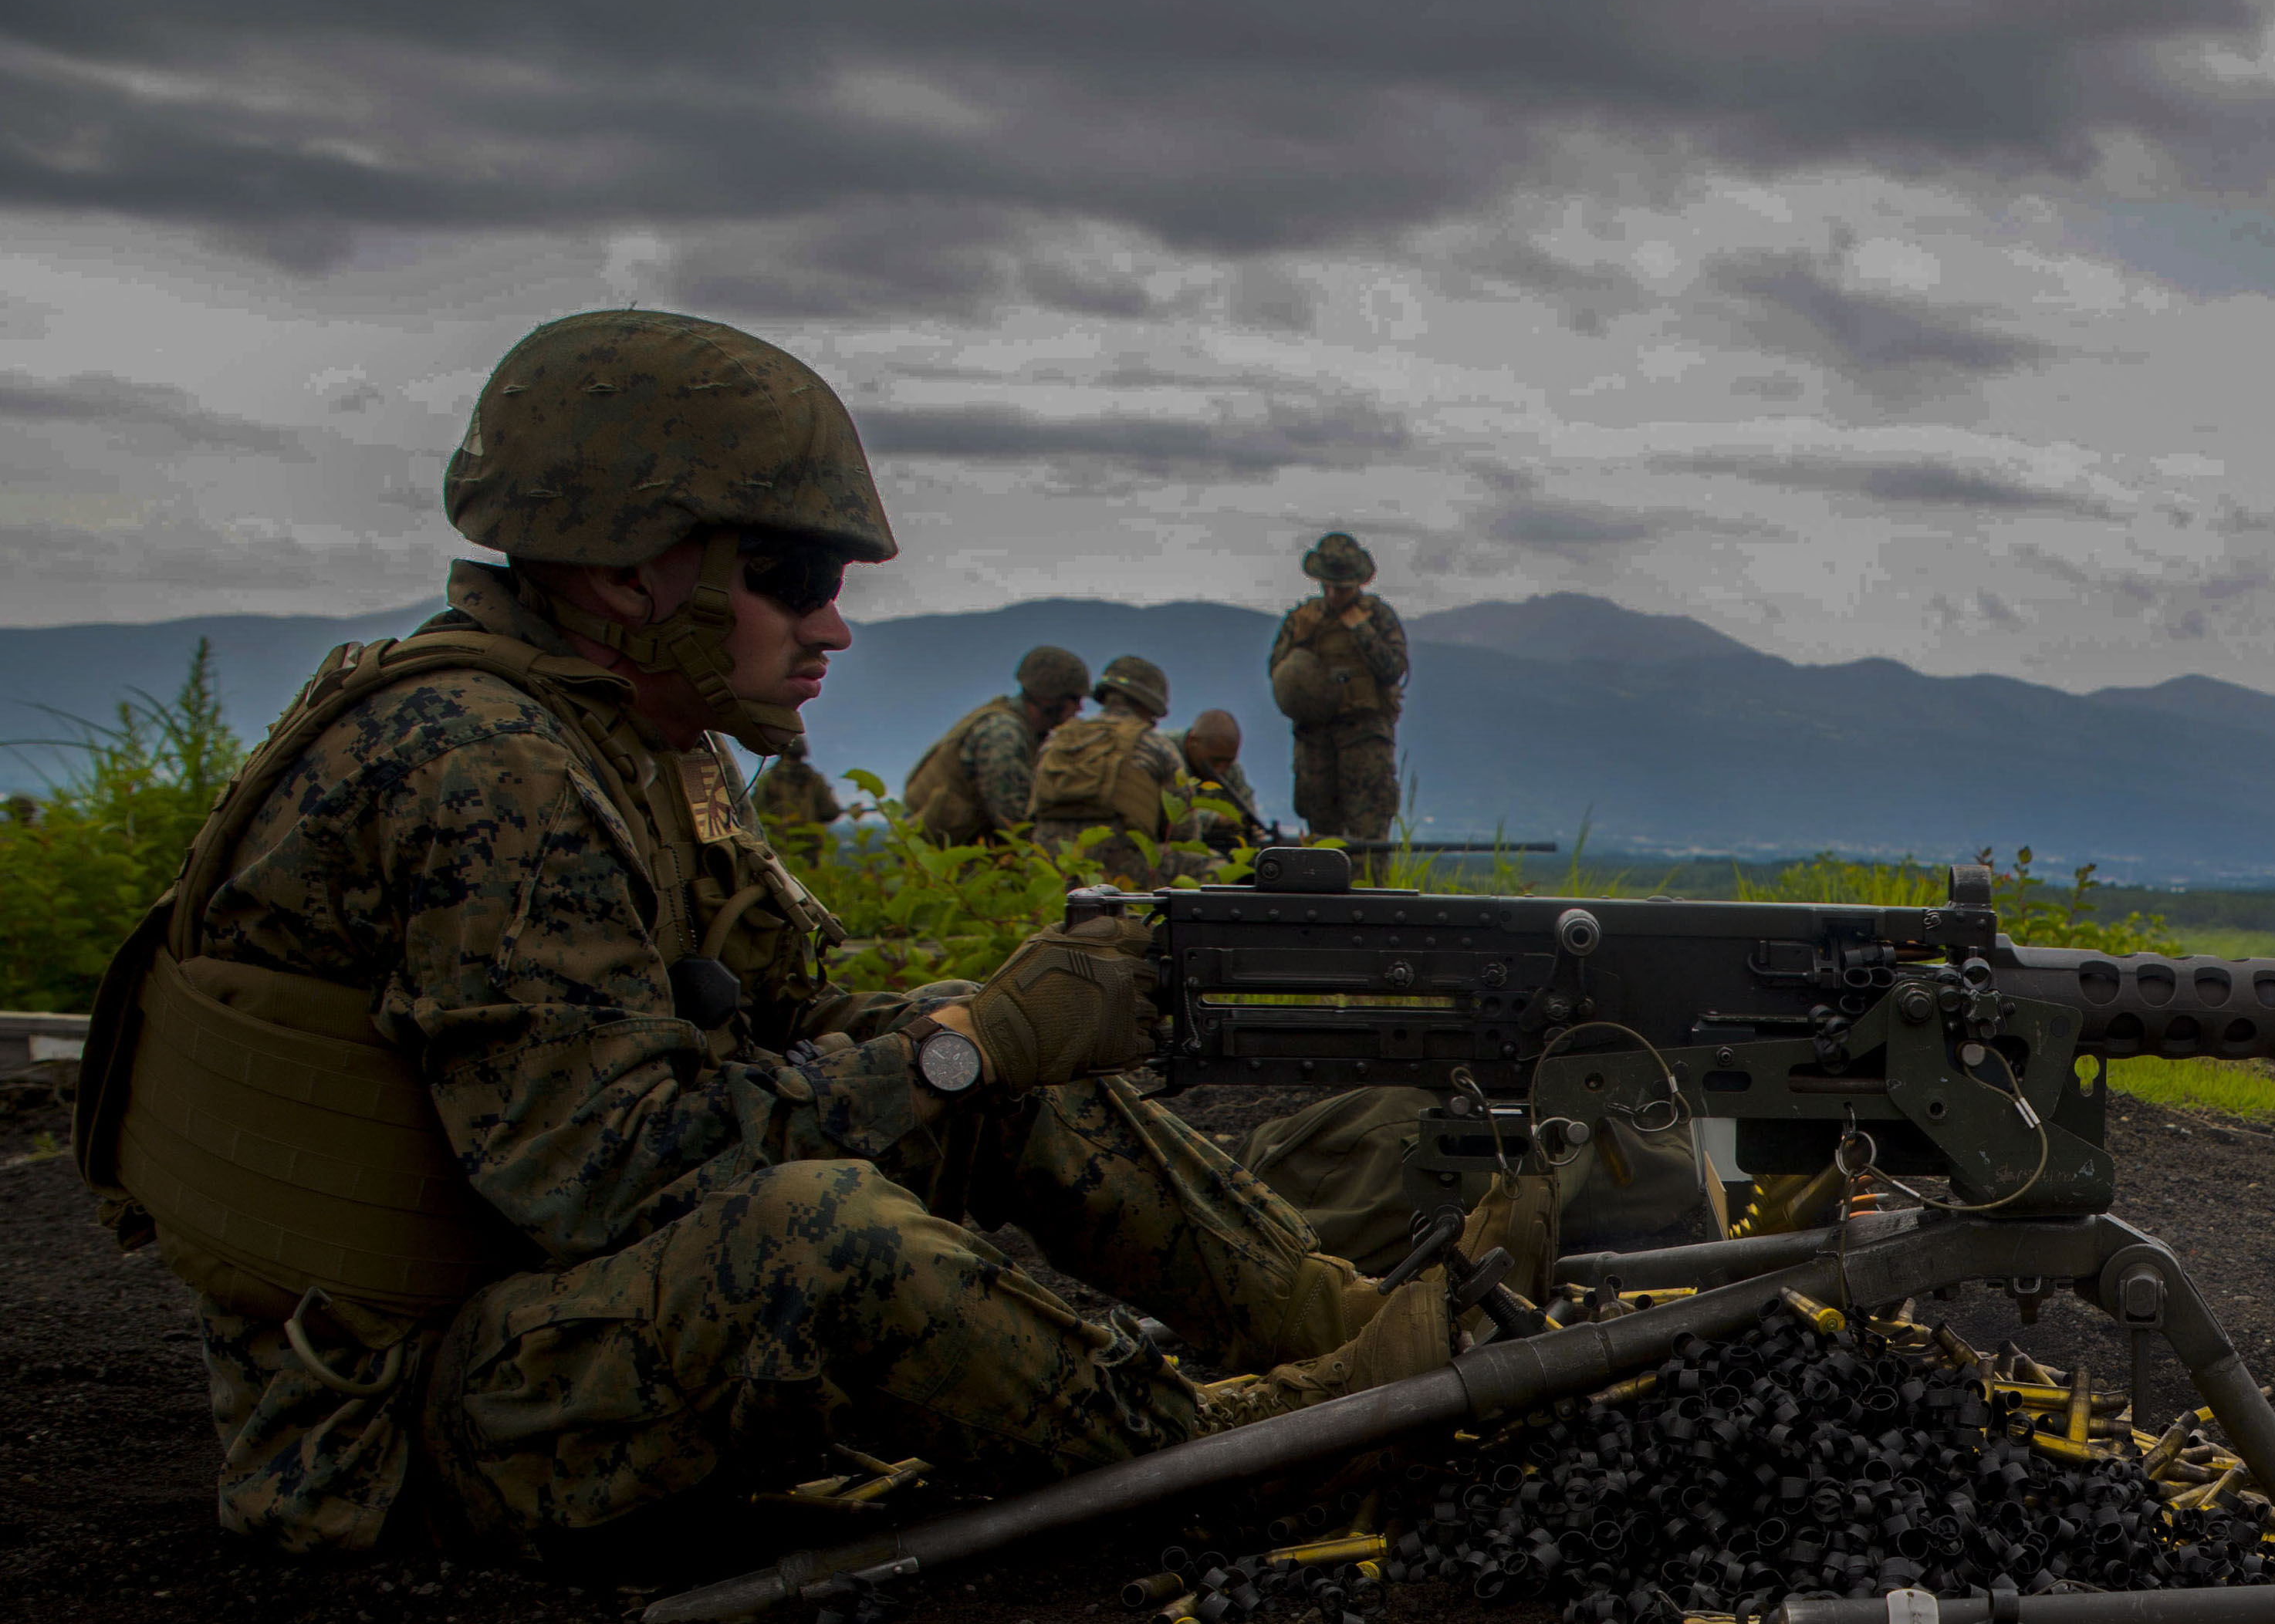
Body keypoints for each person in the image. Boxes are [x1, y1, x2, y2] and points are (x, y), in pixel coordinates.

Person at [69, 309, 1543, 1561]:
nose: (832, 627)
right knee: (821, 1224)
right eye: (792, 578)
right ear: (620, 569)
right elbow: (609, 1174)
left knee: (972, 1042)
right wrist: (965, 1052)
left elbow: (775, 1021)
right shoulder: (485, 763)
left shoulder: (641, 736)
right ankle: (1253, 1446)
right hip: (391, 1418)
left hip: (534, 1312)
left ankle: (1334, 1324)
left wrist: (990, 1027)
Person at [1264, 531, 1408, 844]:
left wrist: (1361, 630)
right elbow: (1278, 671)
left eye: (1340, 588)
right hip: (1315, 740)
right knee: (1320, 831)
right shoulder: (1302, 620)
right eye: (1326, 586)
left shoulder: (1378, 618)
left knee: (1368, 831)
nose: (1332, 594)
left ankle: (1369, 890)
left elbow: (1392, 670)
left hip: (1365, 738)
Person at [901, 644, 1087, 844]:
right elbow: (1014, 821)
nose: (1080, 708)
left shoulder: (1015, 724)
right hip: (939, 857)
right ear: (1048, 700)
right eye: (1074, 699)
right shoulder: (1003, 735)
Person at [1029, 654, 1190, 884]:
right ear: (1149, 706)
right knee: (1210, 865)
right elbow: (1181, 829)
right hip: (1120, 873)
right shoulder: (1156, 746)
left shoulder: (1057, 739)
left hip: (1050, 872)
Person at [1177, 709, 1272, 849]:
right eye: (1214, 761)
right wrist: (1216, 820)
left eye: (1228, 762)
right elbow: (1167, 814)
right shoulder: (1164, 755)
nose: (1221, 770)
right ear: (1192, 742)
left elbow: (1245, 811)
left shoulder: (1232, 770)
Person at [747, 732, 841, 832]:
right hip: (810, 842)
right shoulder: (815, 779)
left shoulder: (769, 778)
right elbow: (830, 812)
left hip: (777, 842)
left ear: (781, 751)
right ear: (803, 752)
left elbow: (754, 812)